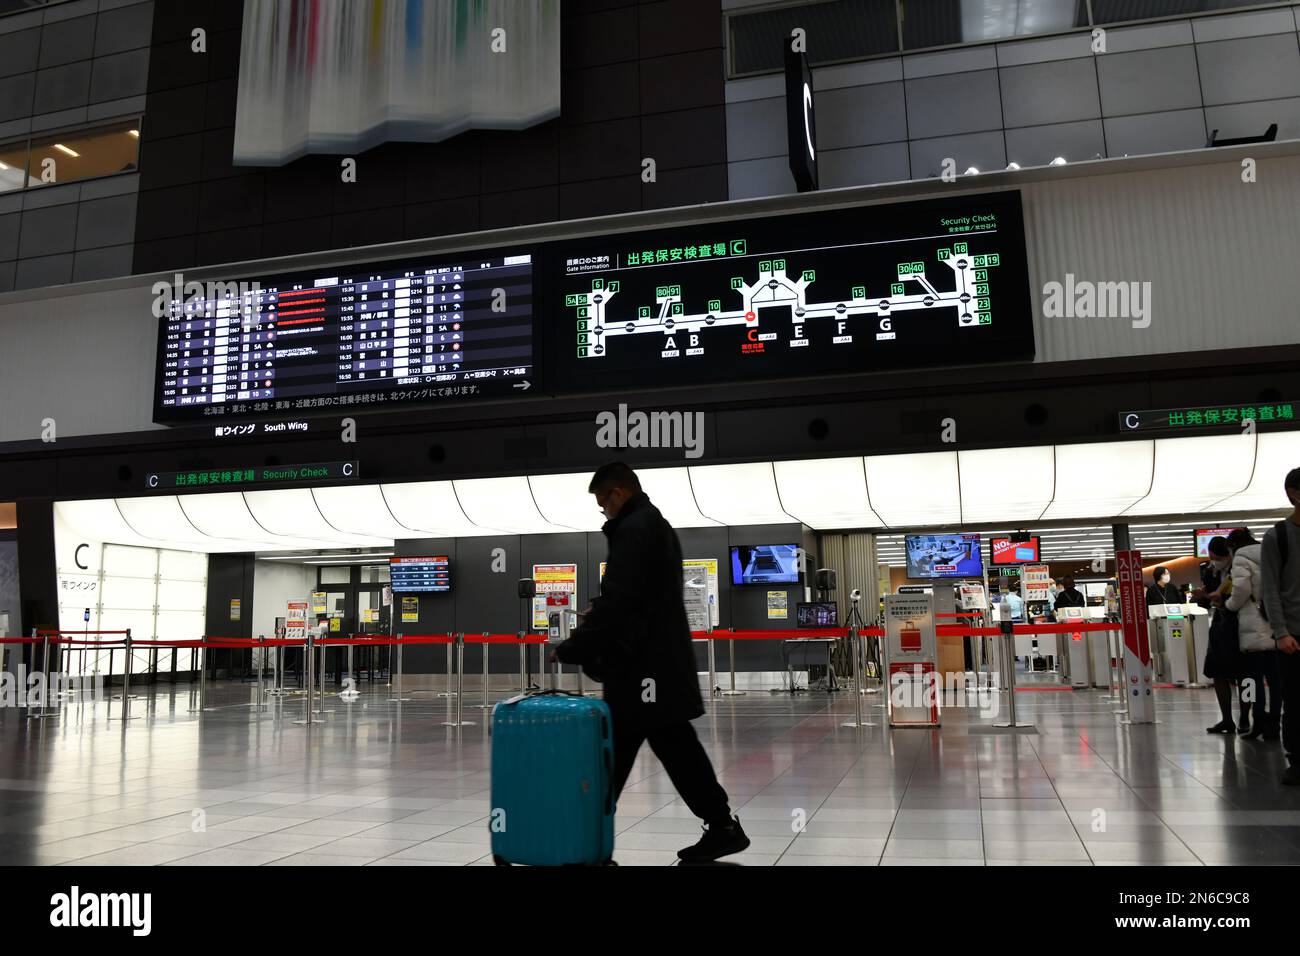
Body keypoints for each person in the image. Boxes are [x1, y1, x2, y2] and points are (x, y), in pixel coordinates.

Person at [552, 462, 750, 861]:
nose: (603, 512)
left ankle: (586, 840)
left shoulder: (634, 530)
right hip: (655, 669)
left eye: (602, 503)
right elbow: (636, 600)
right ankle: (722, 825)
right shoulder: (652, 525)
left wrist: (576, 646)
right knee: (671, 748)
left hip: (640, 670)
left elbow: (622, 605)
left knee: (615, 754)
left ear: (618, 493)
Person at [1261, 468, 1300, 784]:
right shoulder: (1278, 537)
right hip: (1294, 635)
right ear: (1293, 494)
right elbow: (1270, 589)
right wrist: (1281, 631)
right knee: (1296, 699)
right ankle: (1297, 760)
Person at [1224, 528, 1279, 741]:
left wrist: (1229, 605)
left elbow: (1241, 590)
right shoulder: (1270, 551)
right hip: (1275, 623)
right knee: (1275, 681)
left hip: (1252, 626)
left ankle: (1256, 721)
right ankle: (1274, 724)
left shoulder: (1241, 556)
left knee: (1250, 680)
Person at [1194, 536, 1250, 734]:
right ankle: (1226, 719)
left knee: (1245, 675)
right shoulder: (1209, 572)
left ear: (1228, 555)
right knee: (1218, 672)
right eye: (1211, 557)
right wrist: (1203, 596)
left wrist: (1222, 597)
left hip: (1240, 624)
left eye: (1217, 557)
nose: (1214, 561)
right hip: (1219, 624)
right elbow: (1206, 603)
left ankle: (1245, 717)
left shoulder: (1240, 570)